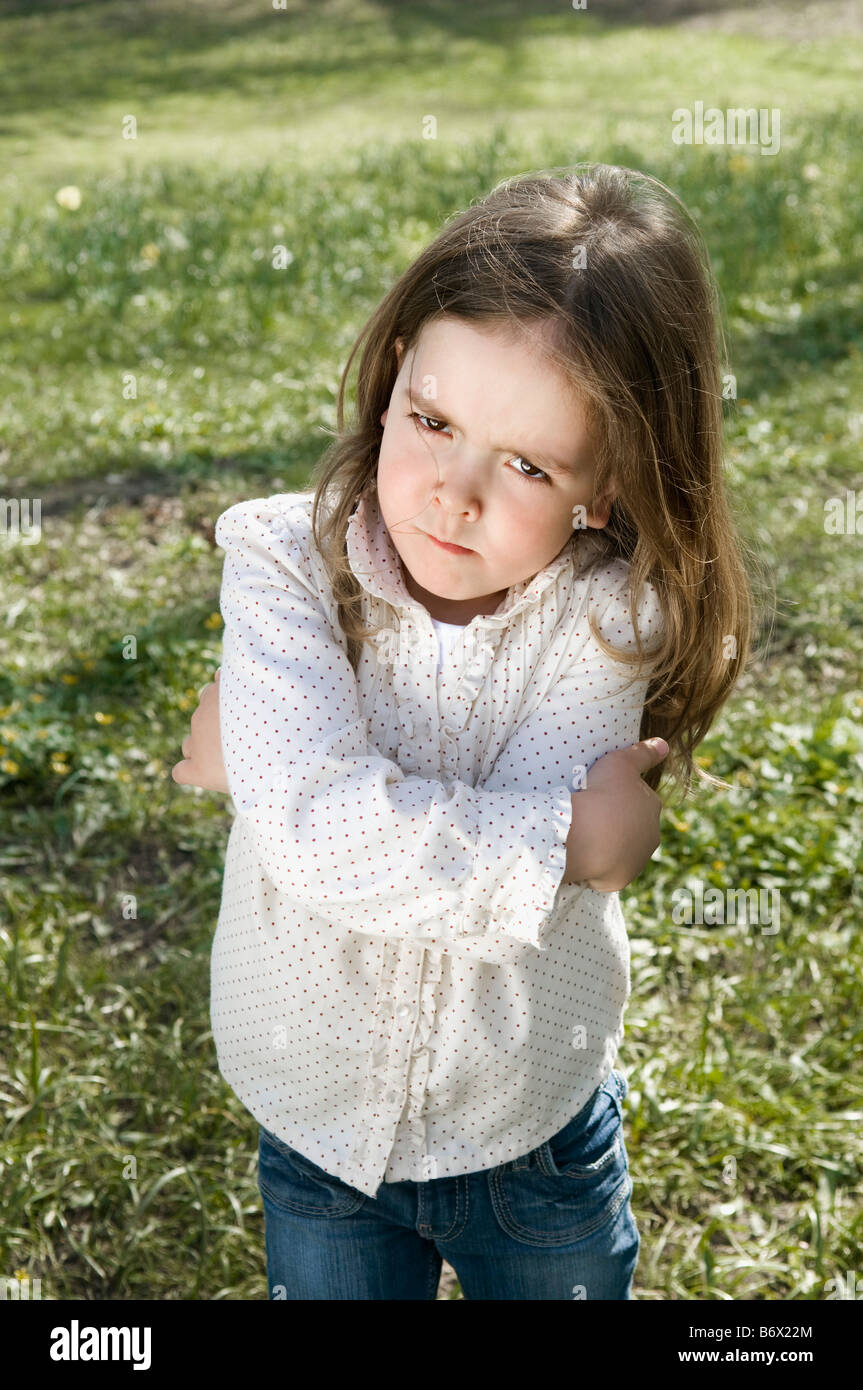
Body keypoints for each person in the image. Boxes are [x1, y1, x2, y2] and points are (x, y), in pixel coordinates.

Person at [172, 163, 753, 1300]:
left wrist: (281, 757)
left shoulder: (609, 618)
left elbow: (390, 861)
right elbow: (319, 837)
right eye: (432, 421)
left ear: (608, 481)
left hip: (529, 1129)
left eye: (528, 463)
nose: (451, 492)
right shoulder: (284, 566)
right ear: (393, 372)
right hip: (318, 1124)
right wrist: (561, 836)